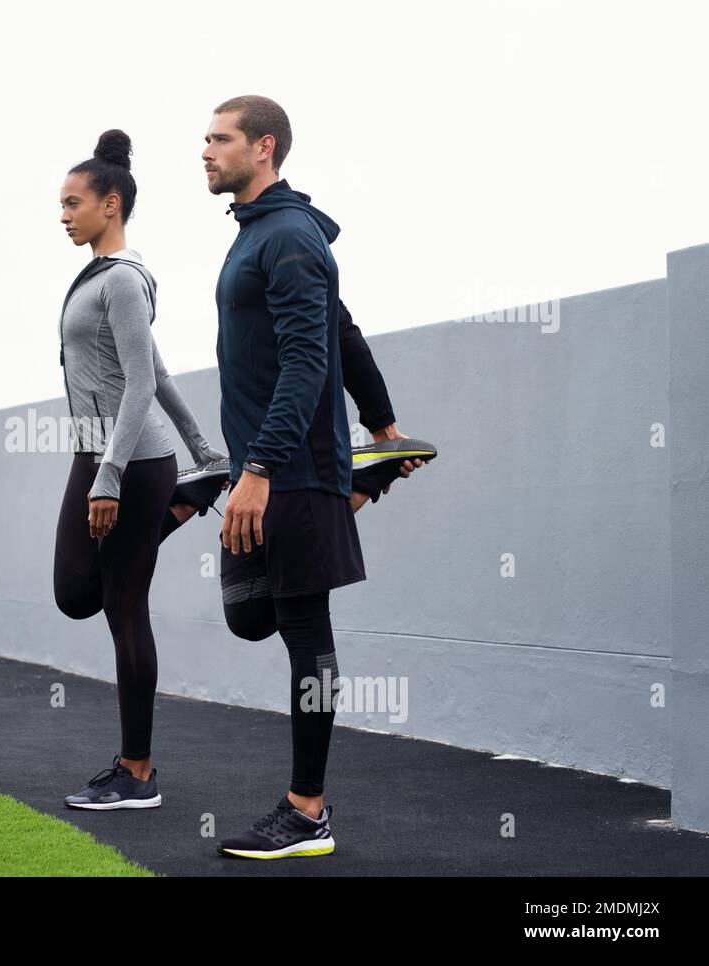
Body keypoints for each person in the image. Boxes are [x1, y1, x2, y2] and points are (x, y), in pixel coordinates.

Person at [201, 94, 436, 859]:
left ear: (264, 147)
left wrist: (263, 467)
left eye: (220, 139)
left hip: (288, 466)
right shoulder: (259, 235)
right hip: (271, 469)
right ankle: (367, 481)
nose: (205, 151)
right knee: (247, 612)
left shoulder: (291, 236)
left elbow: (311, 356)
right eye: (204, 139)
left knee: (304, 627)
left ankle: (308, 812)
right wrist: (384, 421)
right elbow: (342, 329)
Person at [52, 129, 228, 809]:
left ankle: (139, 773)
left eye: (74, 203)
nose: (64, 214)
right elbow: (155, 369)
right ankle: (182, 502)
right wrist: (206, 450)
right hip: (101, 454)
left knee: (124, 606)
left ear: (111, 204)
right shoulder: (100, 278)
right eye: (61, 204)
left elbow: (139, 386)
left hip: (128, 461)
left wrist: (111, 476)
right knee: (76, 592)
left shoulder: (123, 280)